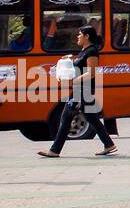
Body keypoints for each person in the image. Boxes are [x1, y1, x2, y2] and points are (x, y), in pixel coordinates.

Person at [38, 25, 117, 158]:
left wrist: (73, 81)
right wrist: (66, 62)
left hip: (82, 91)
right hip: (79, 90)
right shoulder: (83, 51)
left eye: (80, 34)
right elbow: (78, 68)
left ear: (87, 36)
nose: (77, 37)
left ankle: (54, 150)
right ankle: (109, 144)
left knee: (65, 118)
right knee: (92, 119)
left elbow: (91, 73)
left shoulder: (91, 51)